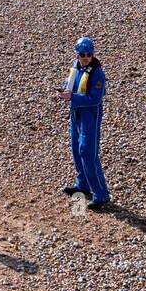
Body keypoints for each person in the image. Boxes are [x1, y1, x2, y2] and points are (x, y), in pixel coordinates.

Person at [57, 36, 110, 211]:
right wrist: (65, 91)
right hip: (76, 112)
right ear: (77, 54)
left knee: (88, 152)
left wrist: (72, 97)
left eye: (88, 54)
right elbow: (69, 83)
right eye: (82, 54)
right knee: (76, 149)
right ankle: (82, 185)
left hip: (89, 114)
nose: (86, 57)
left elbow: (94, 99)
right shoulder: (76, 67)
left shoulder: (97, 73)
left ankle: (100, 194)